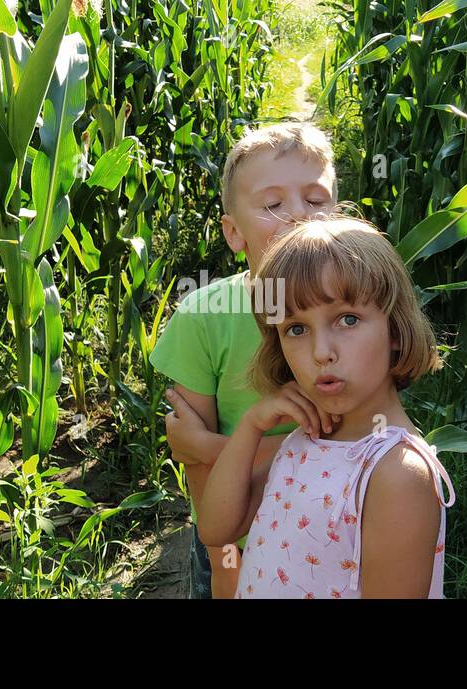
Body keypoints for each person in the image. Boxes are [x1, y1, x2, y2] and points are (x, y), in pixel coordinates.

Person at [196, 217, 456, 598]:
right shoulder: (308, 439)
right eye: (296, 329)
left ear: (396, 332)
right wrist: (252, 425)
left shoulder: (396, 473)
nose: (321, 353)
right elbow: (216, 528)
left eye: (347, 320)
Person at [149, 123, 339, 599]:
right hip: (237, 535)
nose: (299, 215)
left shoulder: (357, 316)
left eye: (316, 200)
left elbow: (350, 443)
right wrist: (225, 565)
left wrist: (214, 446)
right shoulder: (202, 320)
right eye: (273, 205)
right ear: (233, 233)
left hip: (333, 529)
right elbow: (194, 466)